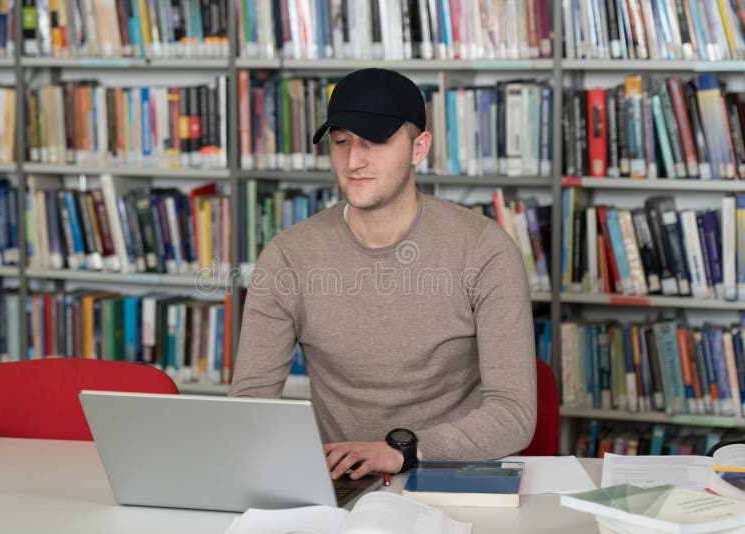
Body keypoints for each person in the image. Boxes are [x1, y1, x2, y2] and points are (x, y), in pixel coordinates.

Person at [230, 68, 537, 481]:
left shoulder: (485, 249)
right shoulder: (288, 257)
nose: (353, 161)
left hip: (451, 477)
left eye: (374, 141)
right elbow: (249, 406)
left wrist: (403, 452)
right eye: (341, 141)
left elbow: (513, 414)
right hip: (344, 484)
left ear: (418, 148)